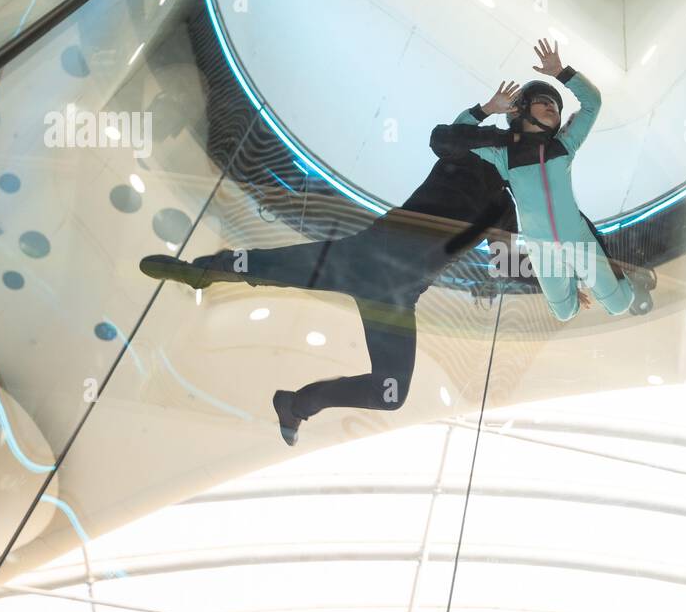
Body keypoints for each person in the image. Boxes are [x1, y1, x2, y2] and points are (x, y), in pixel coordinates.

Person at [139, 83, 530, 447]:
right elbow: (443, 137)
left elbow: (508, 263)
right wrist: (486, 111)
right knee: (270, 267)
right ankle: (200, 271)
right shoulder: (468, 153)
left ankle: (298, 404)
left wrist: (556, 281)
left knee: (390, 393)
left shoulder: (504, 207)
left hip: (396, 294)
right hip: (370, 254)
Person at [429, 39, 654, 322]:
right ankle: (573, 284)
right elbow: (457, 135)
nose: (552, 107)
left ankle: (626, 279)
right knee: (564, 313)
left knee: (620, 304)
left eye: (556, 105)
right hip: (541, 250)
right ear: (520, 110)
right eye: (543, 101)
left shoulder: (564, 144)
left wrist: (561, 72)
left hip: (578, 239)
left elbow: (592, 103)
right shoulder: (503, 155)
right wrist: (487, 108)